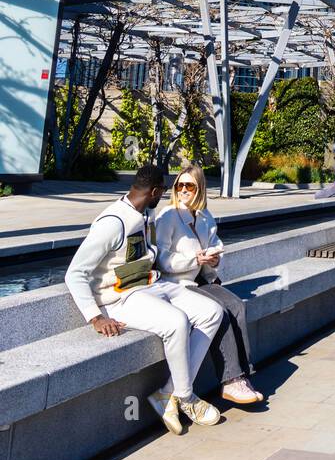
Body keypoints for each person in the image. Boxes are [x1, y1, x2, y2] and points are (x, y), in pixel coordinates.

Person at [65, 163, 223, 435]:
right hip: (119, 298)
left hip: (150, 287)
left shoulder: (142, 213)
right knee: (176, 322)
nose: (164, 196)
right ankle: (186, 398)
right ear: (155, 191)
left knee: (212, 311)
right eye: (163, 192)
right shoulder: (112, 223)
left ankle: (168, 393)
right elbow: (75, 273)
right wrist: (96, 316)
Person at [155, 165, 262, 406]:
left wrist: (213, 260)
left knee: (236, 305)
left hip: (201, 279)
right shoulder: (168, 216)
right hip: (178, 283)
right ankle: (231, 379)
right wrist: (194, 259)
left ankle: (242, 377)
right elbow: (161, 258)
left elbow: (214, 247)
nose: (183, 190)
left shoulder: (205, 217)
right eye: (179, 185)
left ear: (199, 189)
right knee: (220, 312)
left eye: (189, 186)